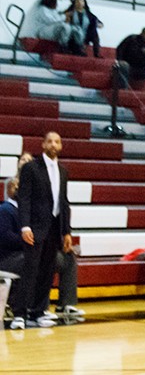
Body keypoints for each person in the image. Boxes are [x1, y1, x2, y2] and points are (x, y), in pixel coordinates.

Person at [10, 132, 72, 330]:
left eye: (57, 141)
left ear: (61, 146)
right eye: (50, 141)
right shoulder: (31, 168)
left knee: (47, 271)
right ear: (43, 144)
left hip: (54, 228)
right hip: (35, 228)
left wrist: (66, 231)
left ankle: (38, 312)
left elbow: (64, 202)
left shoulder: (63, 171)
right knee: (30, 270)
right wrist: (25, 226)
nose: (53, 144)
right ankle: (19, 313)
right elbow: (24, 198)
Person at [116, 27, 145, 93]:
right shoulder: (132, 39)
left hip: (142, 69)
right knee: (123, 66)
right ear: (141, 33)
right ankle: (122, 91)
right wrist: (120, 60)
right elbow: (120, 48)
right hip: (129, 66)